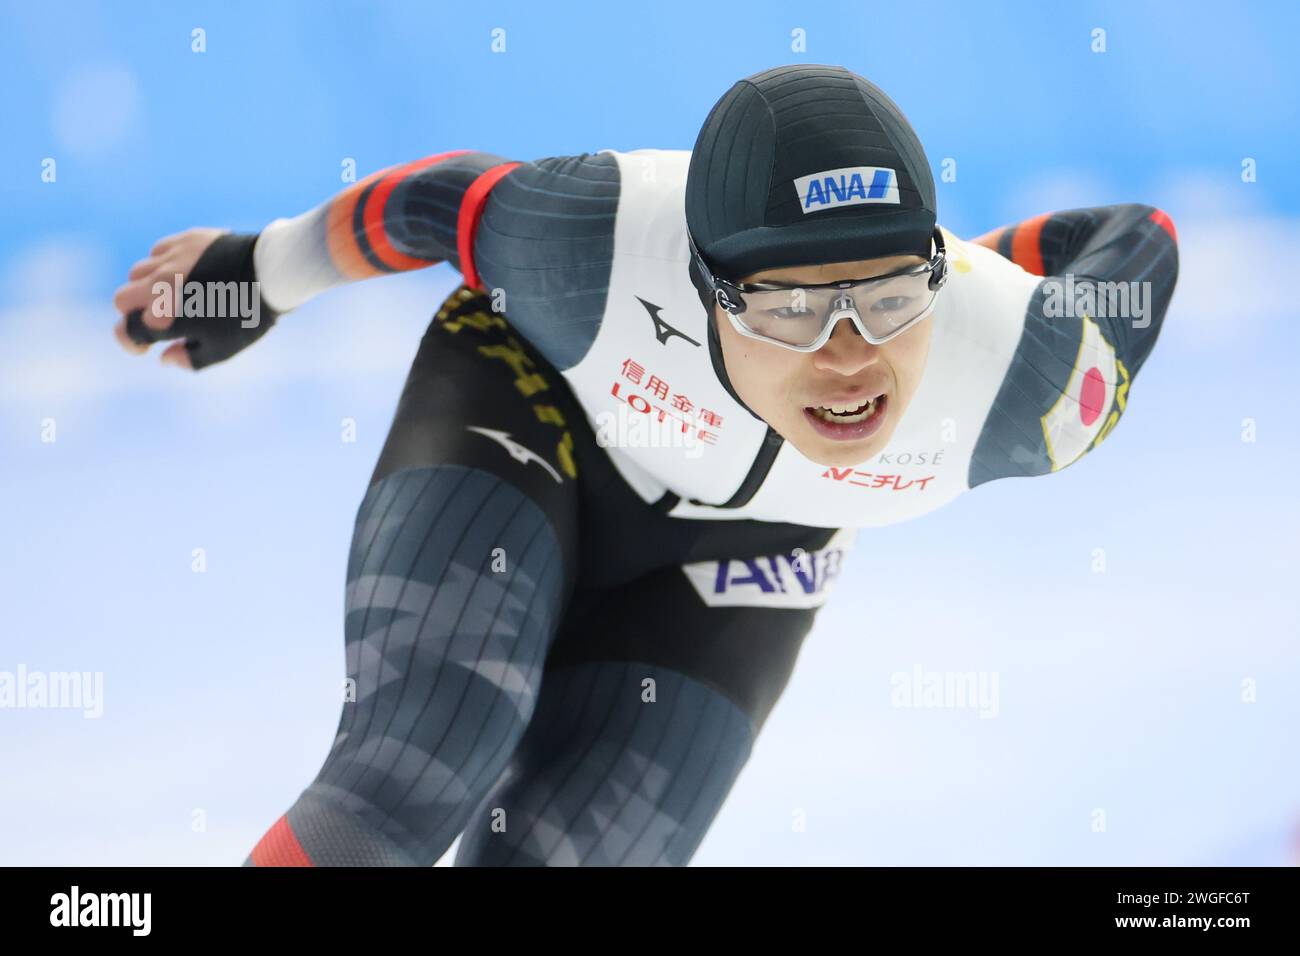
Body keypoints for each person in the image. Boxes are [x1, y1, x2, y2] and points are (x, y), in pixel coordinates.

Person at [113, 64, 1179, 866]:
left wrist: (998, 266)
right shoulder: (591, 239)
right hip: (537, 416)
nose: (848, 354)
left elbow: (1140, 234)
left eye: (890, 294)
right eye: (791, 305)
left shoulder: (1028, 384)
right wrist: (258, 272)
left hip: (749, 548)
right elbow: (435, 204)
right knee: (414, 772)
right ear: (703, 283)